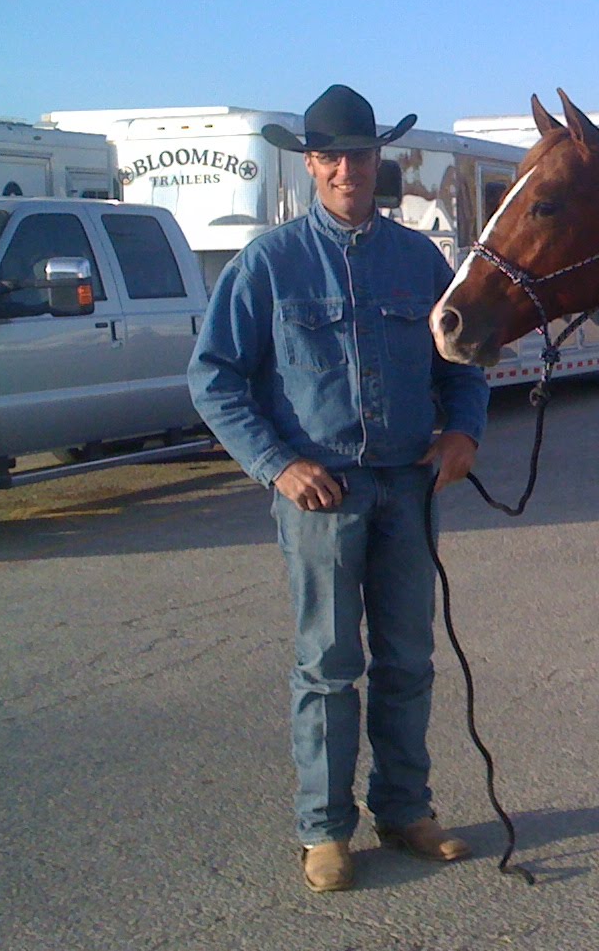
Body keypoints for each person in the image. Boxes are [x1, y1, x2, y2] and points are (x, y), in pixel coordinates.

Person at [189, 84, 490, 893]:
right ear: (311, 164)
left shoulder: (418, 260)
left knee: (408, 658)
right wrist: (278, 465)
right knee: (326, 665)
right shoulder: (270, 263)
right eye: (332, 156)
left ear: (377, 160)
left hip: (407, 485)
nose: (348, 168)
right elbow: (214, 379)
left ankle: (406, 810)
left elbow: (462, 360)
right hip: (319, 495)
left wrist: (463, 431)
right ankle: (324, 831)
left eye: (361, 153)